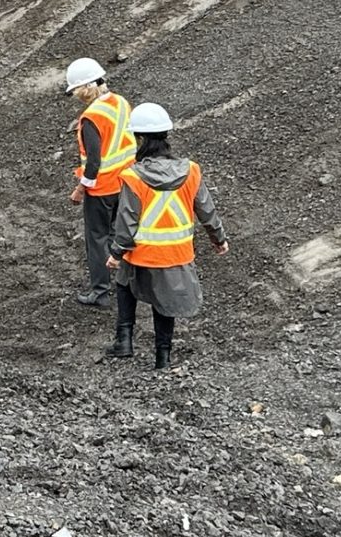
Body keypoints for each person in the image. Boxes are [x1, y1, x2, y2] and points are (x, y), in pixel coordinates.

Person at [106, 101, 226, 371]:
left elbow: (126, 221)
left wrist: (116, 254)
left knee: (124, 282)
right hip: (176, 254)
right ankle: (163, 358)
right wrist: (219, 239)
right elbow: (207, 210)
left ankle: (123, 341)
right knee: (165, 303)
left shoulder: (134, 176)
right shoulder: (191, 171)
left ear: (140, 139)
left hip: (140, 253)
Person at [62, 56, 136, 309]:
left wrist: (81, 189)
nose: (76, 96)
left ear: (85, 88)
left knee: (97, 238)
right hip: (126, 181)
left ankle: (100, 291)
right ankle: (131, 281)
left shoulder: (90, 118)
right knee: (121, 232)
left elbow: (93, 162)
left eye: (76, 91)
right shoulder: (122, 103)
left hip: (102, 188)